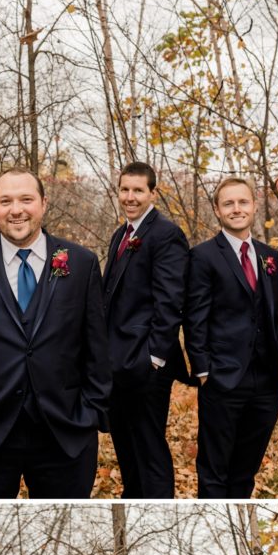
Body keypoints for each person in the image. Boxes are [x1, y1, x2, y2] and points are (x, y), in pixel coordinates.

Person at [0, 168, 110, 498]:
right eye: (6, 201)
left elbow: (96, 346)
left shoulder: (81, 263)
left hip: (64, 433)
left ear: (43, 203)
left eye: (26, 199)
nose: (16, 210)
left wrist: (90, 412)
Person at [184, 177, 278, 498]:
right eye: (228, 203)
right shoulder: (203, 256)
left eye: (243, 202)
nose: (237, 209)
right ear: (217, 210)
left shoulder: (270, 256)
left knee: (246, 471)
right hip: (222, 379)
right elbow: (195, 317)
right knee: (215, 471)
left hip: (266, 383)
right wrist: (203, 371)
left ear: (254, 206)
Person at [103, 162, 189, 498]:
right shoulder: (120, 235)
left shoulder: (166, 235)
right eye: (125, 189)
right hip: (118, 364)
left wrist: (153, 358)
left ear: (153, 193)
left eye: (138, 190)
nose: (130, 197)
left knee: (149, 448)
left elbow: (170, 302)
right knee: (126, 447)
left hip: (146, 365)